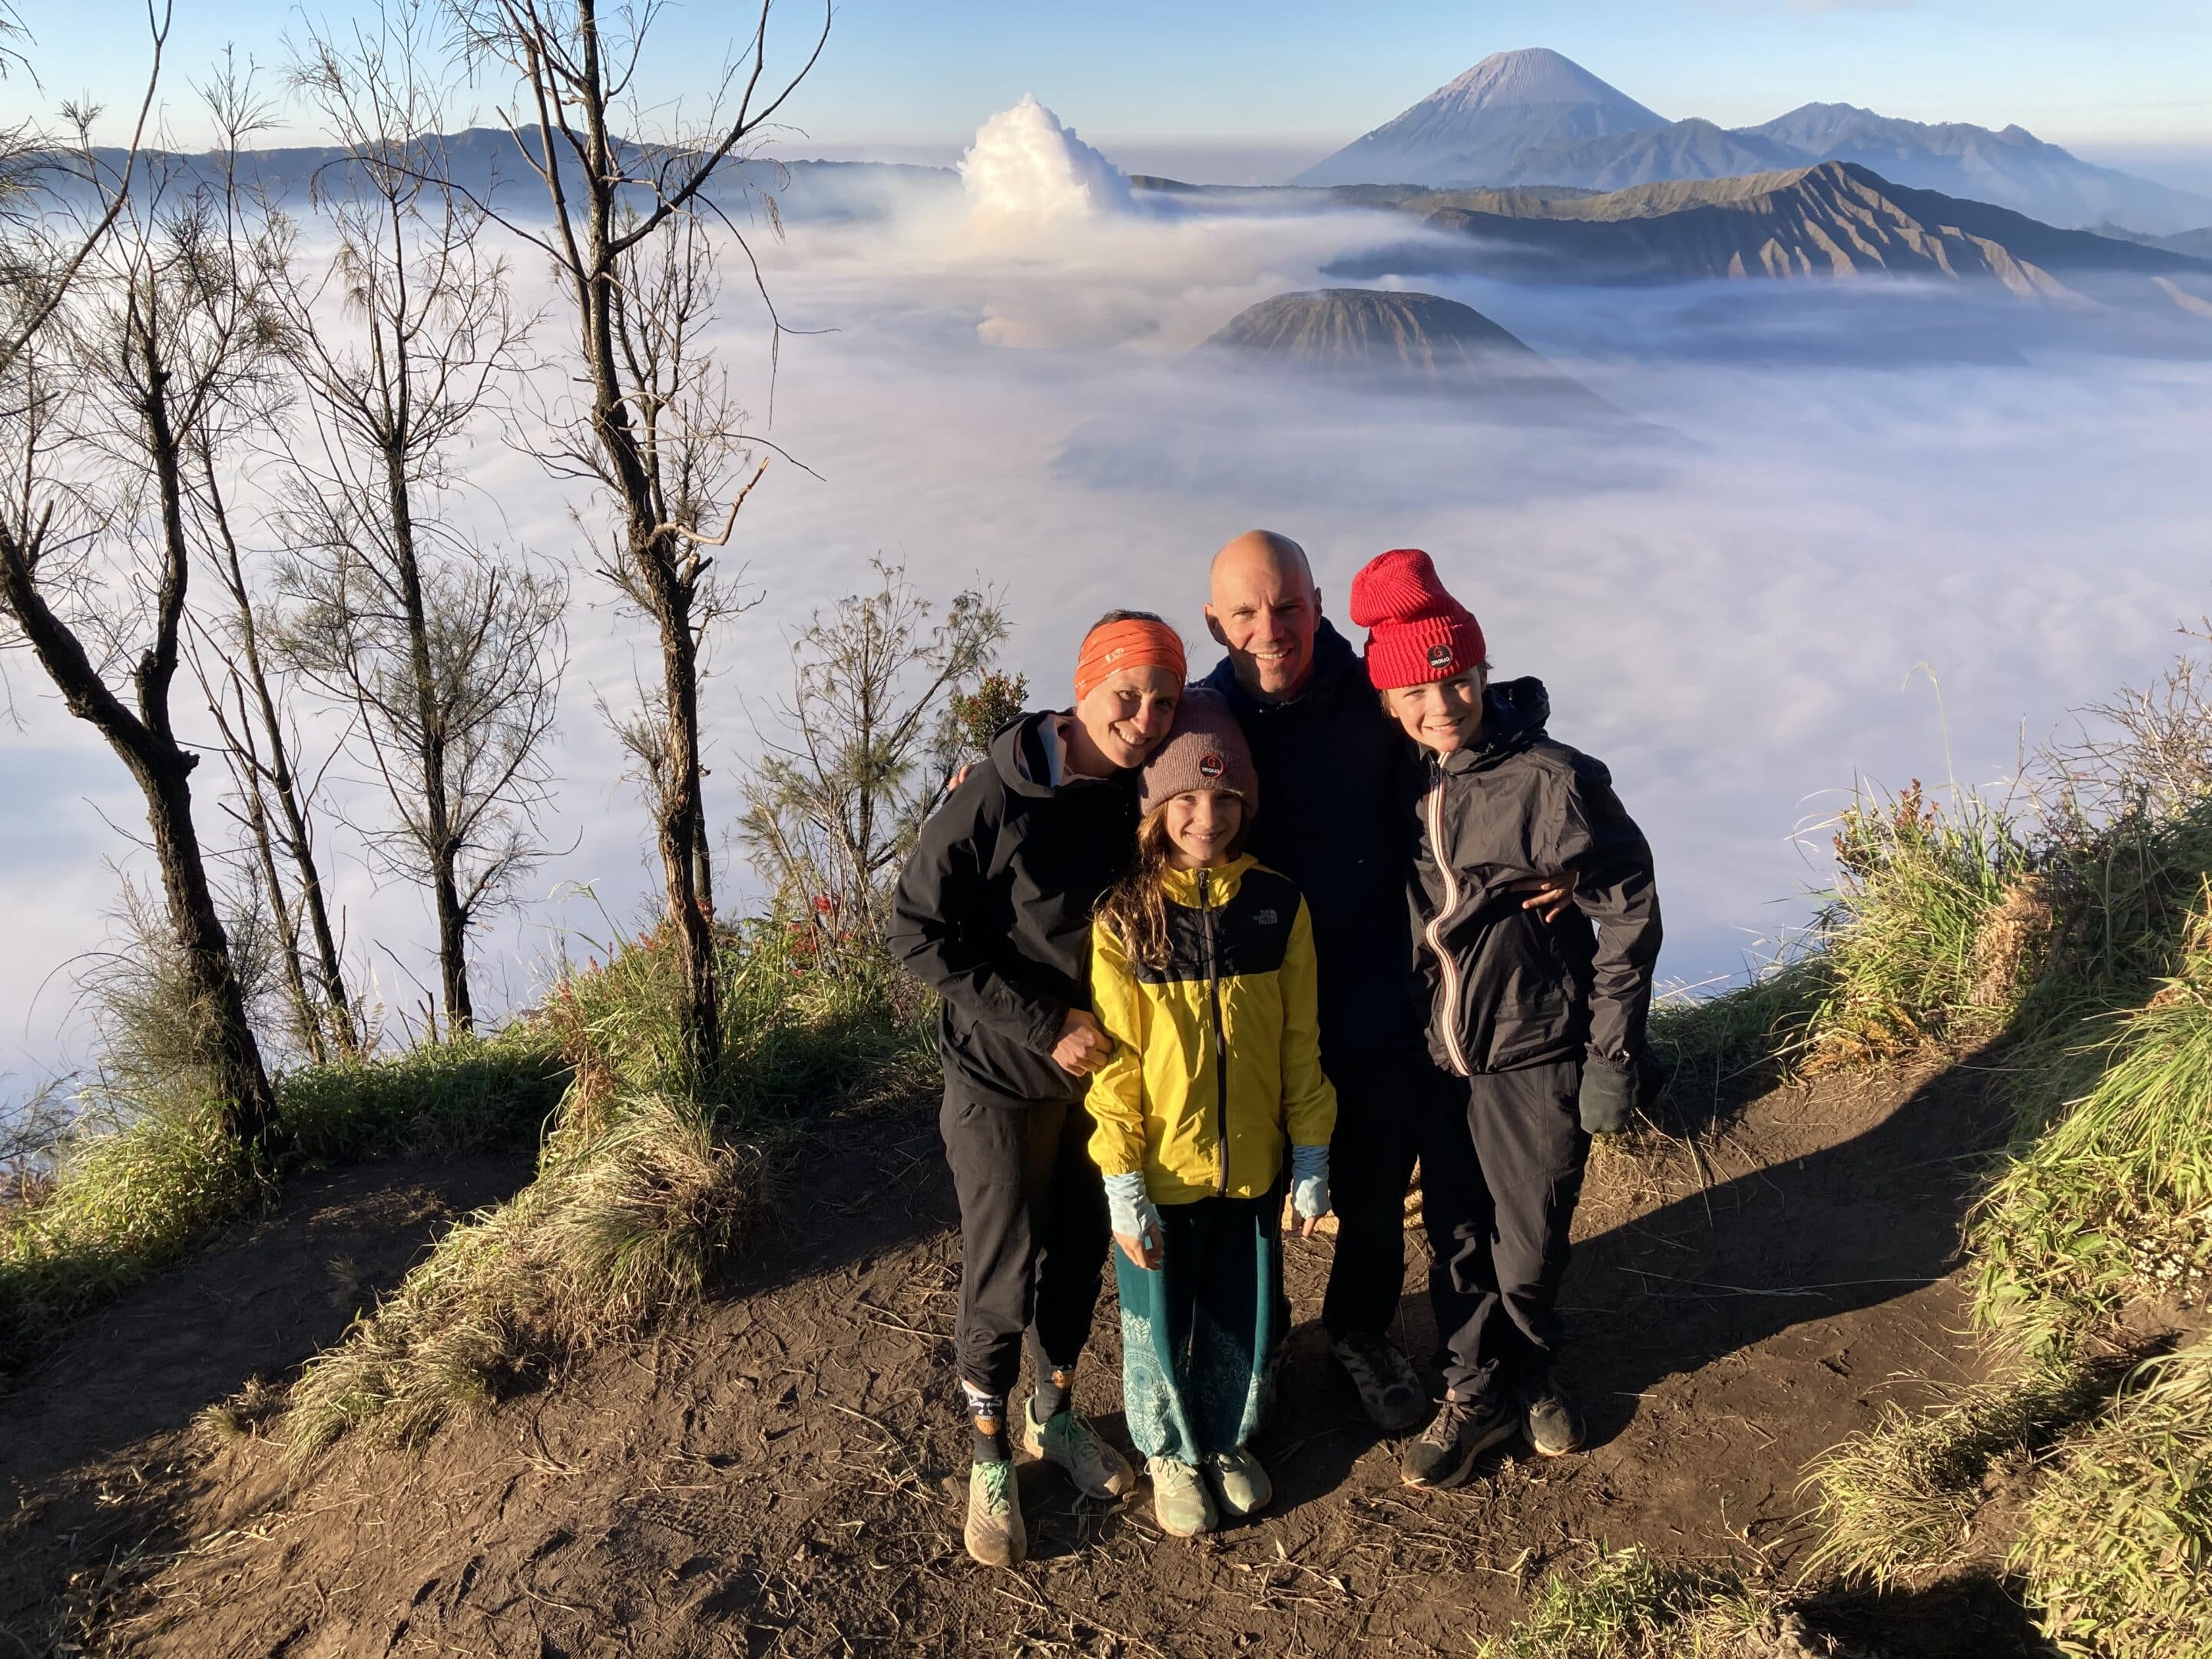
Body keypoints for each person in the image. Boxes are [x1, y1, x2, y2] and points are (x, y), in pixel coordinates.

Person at [1197, 531, 1571, 1434]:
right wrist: (1010, 750)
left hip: (1372, 993)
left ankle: (1358, 1330)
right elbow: (1107, 739)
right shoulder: (1201, 720)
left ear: (1319, 603)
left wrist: (1558, 849)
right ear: (1215, 622)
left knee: (1371, 1192)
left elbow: (1478, 717)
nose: (1271, 628)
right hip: (1247, 1011)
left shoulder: (1374, 689)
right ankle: (1257, 1346)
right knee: (1245, 1191)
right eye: (1246, 613)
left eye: (1288, 606)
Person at [1343, 548, 1661, 1490]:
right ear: (1392, 703)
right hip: (1436, 1057)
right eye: (1418, 689)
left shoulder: (1551, 782)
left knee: (1530, 1244)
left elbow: (1629, 904)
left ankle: (1527, 1359)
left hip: (1536, 1047)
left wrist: (1614, 1055)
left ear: (1482, 673)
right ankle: (1483, 1388)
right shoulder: (1399, 778)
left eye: (1457, 678)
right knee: (1459, 1237)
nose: (1443, 703)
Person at [889, 611, 1186, 1566]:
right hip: (999, 1077)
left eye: (1164, 701)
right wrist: (1046, 1025)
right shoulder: (998, 792)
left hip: (1096, 1083)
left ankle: (1050, 1414)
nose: (1144, 717)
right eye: (1126, 696)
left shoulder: (1143, 788)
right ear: (1083, 687)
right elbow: (915, 934)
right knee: (1003, 1263)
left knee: (1080, 1251)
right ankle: (987, 1457)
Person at [1084, 689, 1338, 1535]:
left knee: (1242, 1314)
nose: (1207, 815)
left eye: (1225, 797)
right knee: (1158, 1325)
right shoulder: (1125, 917)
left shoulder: (1278, 906)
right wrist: (1121, 1180)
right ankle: (1167, 1453)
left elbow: (1302, 1042)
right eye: (1186, 798)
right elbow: (1115, 1067)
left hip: (1252, 1172)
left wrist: (1310, 1157)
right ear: (1156, 808)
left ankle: (1225, 1439)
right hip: (1159, 1177)